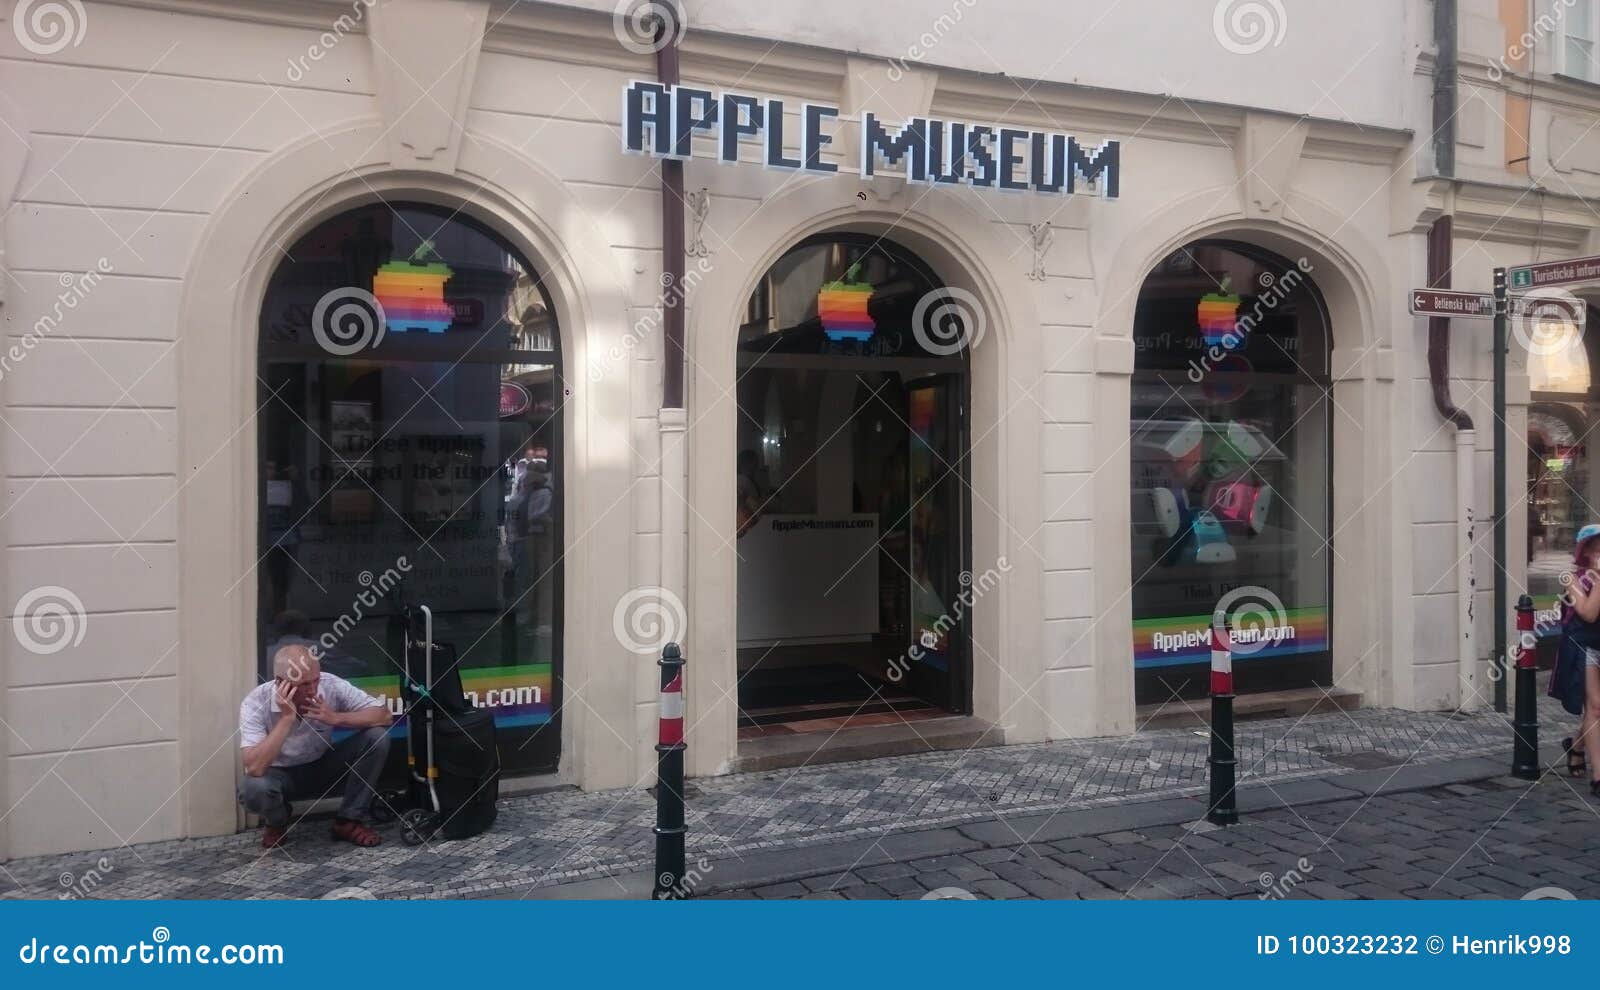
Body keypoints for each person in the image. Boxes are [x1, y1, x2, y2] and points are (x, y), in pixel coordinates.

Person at [238, 644, 392, 848]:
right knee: (253, 788)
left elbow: (384, 715)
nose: (312, 690)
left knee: (376, 737)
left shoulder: (330, 685)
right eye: (303, 684)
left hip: (322, 765)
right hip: (280, 776)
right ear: (280, 682)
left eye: (315, 680)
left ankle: (348, 821)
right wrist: (286, 718)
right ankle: (277, 822)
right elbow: (254, 767)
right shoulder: (255, 702)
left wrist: (336, 718)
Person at [1566, 525, 1600, 792]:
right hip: (1586, 646)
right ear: (1586, 550)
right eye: (1597, 545)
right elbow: (1588, 613)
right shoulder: (1572, 579)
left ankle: (1577, 744)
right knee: (1596, 707)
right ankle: (1598, 776)